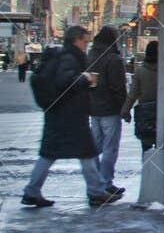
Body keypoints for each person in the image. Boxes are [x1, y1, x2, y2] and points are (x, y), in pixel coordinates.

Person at [22, 26, 122, 208]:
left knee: (51, 154)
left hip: (60, 114)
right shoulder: (70, 57)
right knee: (86, 153)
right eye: (85, 41)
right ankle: (96, 192)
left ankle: (32, 191)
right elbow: (65, 82)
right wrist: (85, 79)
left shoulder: (64, 55)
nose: (87, 45)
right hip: (70, 115)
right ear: (77, 40)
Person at [86, 26, 128, 196]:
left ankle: (96, 182)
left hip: (93, 108)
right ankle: (106, 182)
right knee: (110, 148)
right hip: (110, 109)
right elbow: (118, 88)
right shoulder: (114, 60)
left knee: (95, 147)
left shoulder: (90, 56)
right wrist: (125, 108)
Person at [123, 40, 160, 155]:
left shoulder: (140, 71)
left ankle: (147, 163)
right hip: (163, 112)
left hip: (145, 114)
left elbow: (133, 94)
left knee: (146, 146)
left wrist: (125, 111)